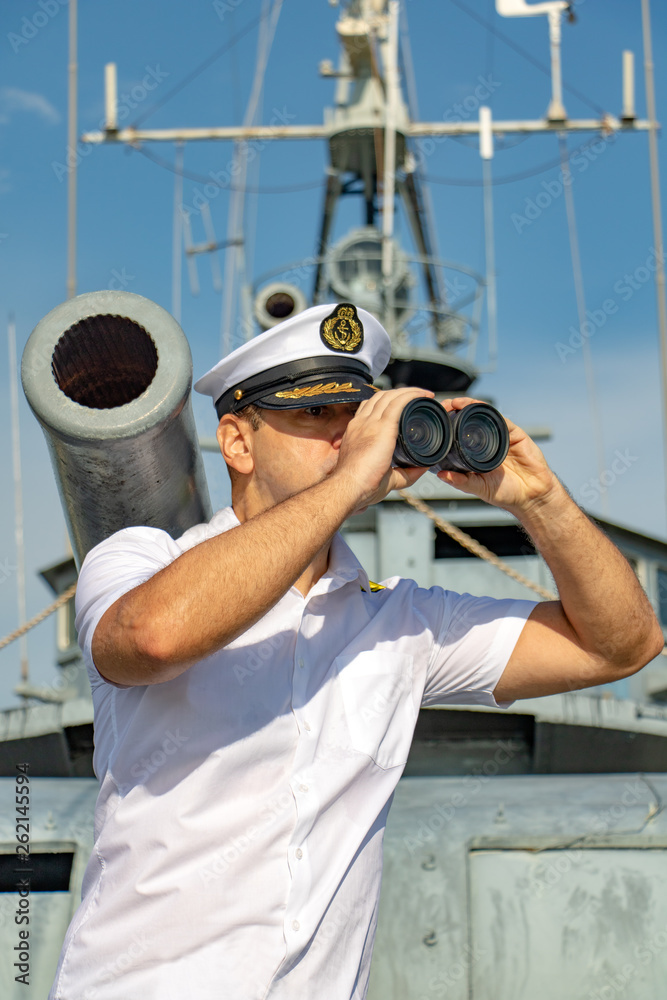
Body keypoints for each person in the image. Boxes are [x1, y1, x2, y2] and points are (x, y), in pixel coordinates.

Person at [49, 302, 662, 1000]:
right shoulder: (140, 559)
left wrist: (540, 499)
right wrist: (348, 484)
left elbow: (621, 645)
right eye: (314, 417)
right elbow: (152, 639)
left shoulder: (400, 620)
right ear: (237, 444)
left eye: (358, 416)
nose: (345, 438)